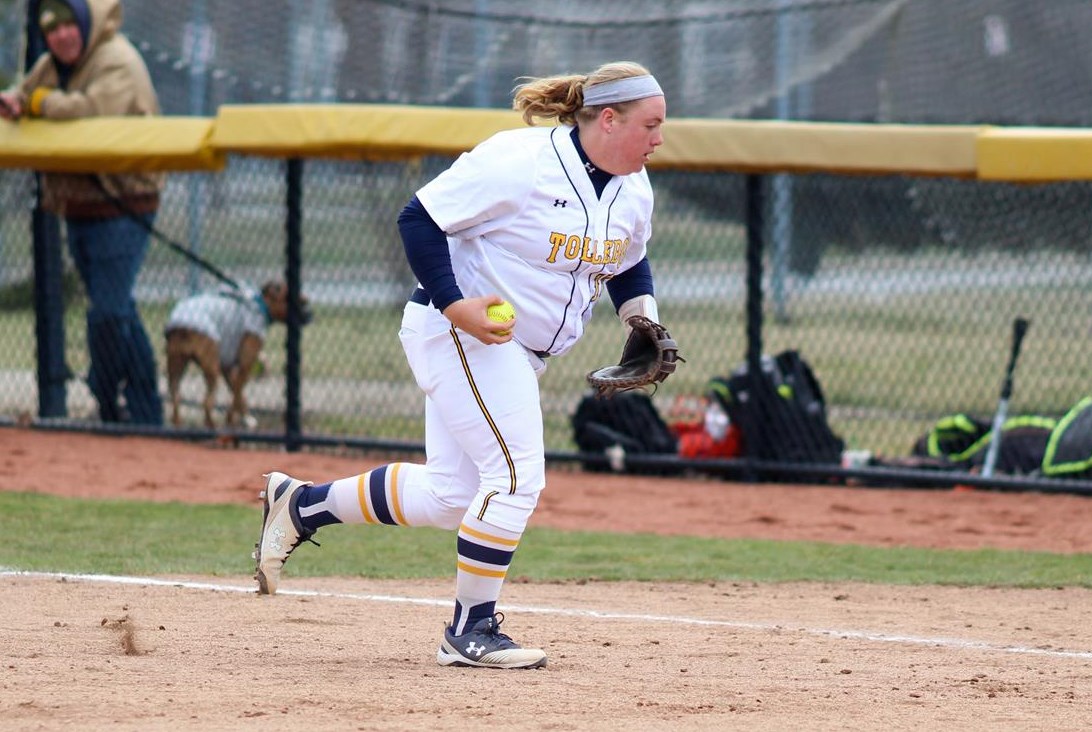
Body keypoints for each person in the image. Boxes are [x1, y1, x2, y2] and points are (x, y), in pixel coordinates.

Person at [253, 61, 668, 669]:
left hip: (516, 351)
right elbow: (419, 218)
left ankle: (302, 505)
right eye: (651, 125)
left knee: (452, 496)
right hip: (461, 333)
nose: (659, 138)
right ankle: (470, 629)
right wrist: (457, 304)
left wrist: (641, 319)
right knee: (517, 476)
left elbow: (630, 259)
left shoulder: (633, 184)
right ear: (609, 119)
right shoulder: (519, 161)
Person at [0, 0, 164, 425]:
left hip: (124, 202)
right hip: (80, 205)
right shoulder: (51, 66)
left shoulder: (117, 60)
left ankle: (111, 404)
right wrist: (17, 103)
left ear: (86, 25)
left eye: (68, 27)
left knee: (108, 311)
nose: (61, 37)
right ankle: (145, 413)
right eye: (51, 30)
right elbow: (26, 96)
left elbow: (89, 110)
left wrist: (37, 103)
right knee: (117, 307)